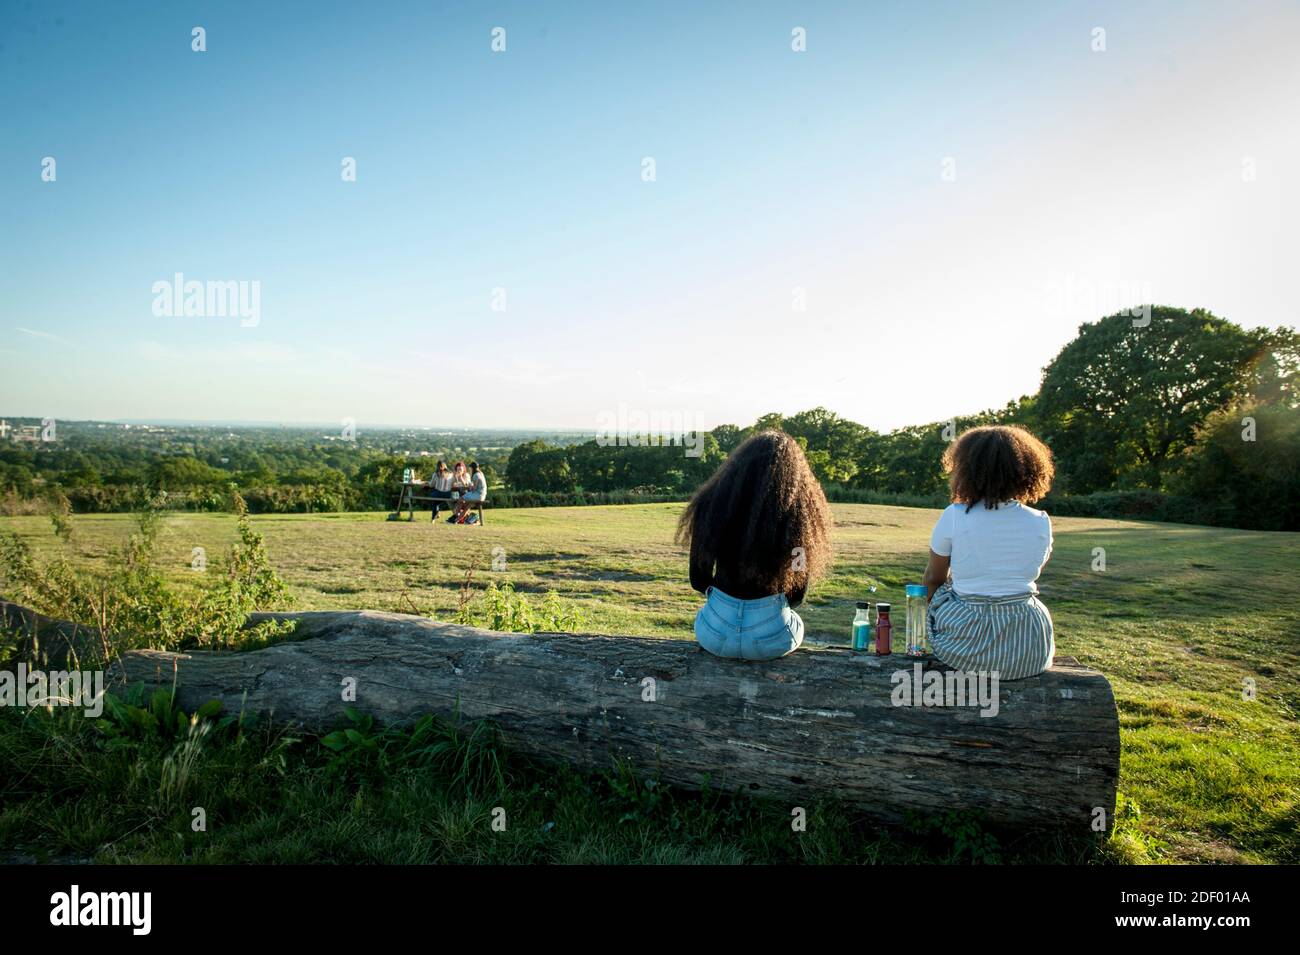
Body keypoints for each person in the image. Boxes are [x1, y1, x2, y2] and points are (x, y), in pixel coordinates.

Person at [676, 430, 832, 660]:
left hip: (714, 634)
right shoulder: (799, 520)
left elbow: (698, 579)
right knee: (795, 623)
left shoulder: (709, 506)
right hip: (771, 638)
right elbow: (796, 595)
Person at [921, 425, 1056, 680]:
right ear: (1027, 469)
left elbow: (932, 580)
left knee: (946, 591)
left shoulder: (955, 516)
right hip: (1030, 646)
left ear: (966, 470)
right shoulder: (1040, 521)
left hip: (967, 643)